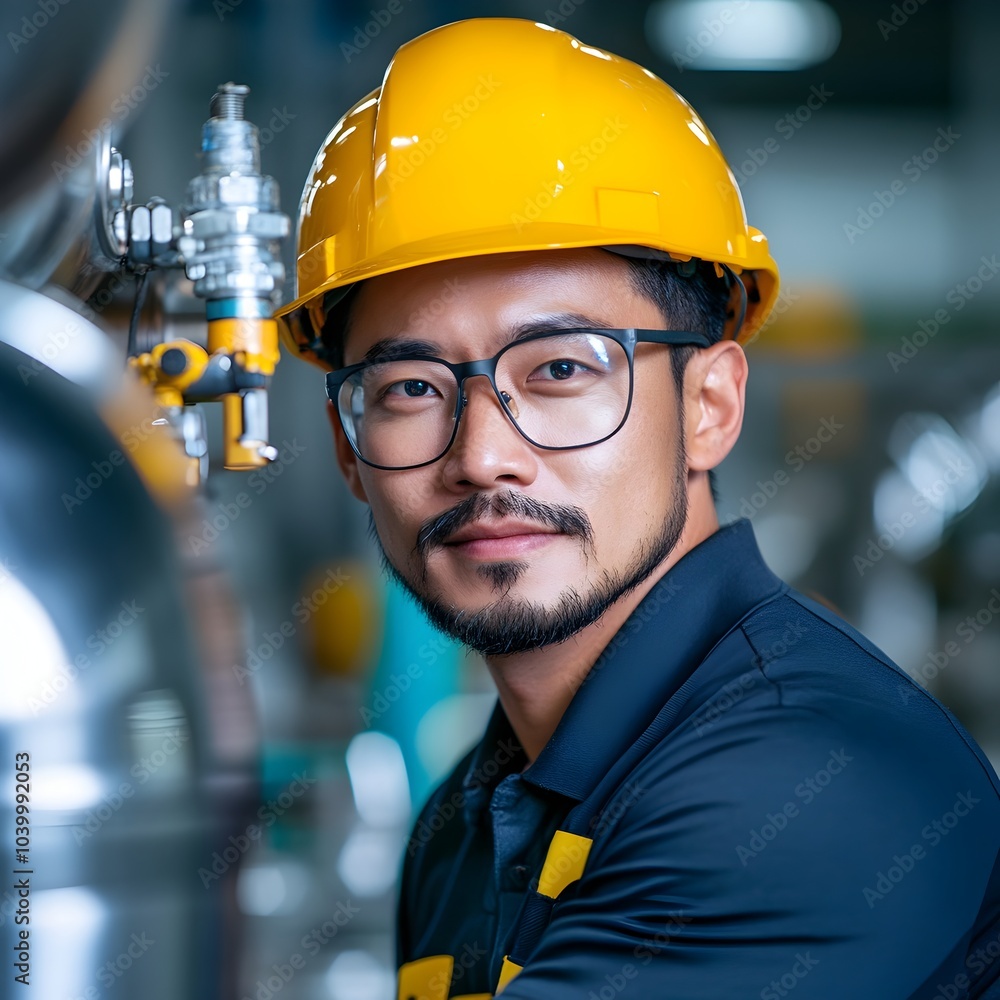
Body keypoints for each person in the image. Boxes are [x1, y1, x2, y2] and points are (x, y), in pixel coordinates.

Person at [276, 17, 1000, 999]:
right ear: (346, 451)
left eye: (562, 369)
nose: (483, 456)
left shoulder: (808, 780)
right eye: (410, 387)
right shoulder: (461, 823)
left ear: (710, 408)